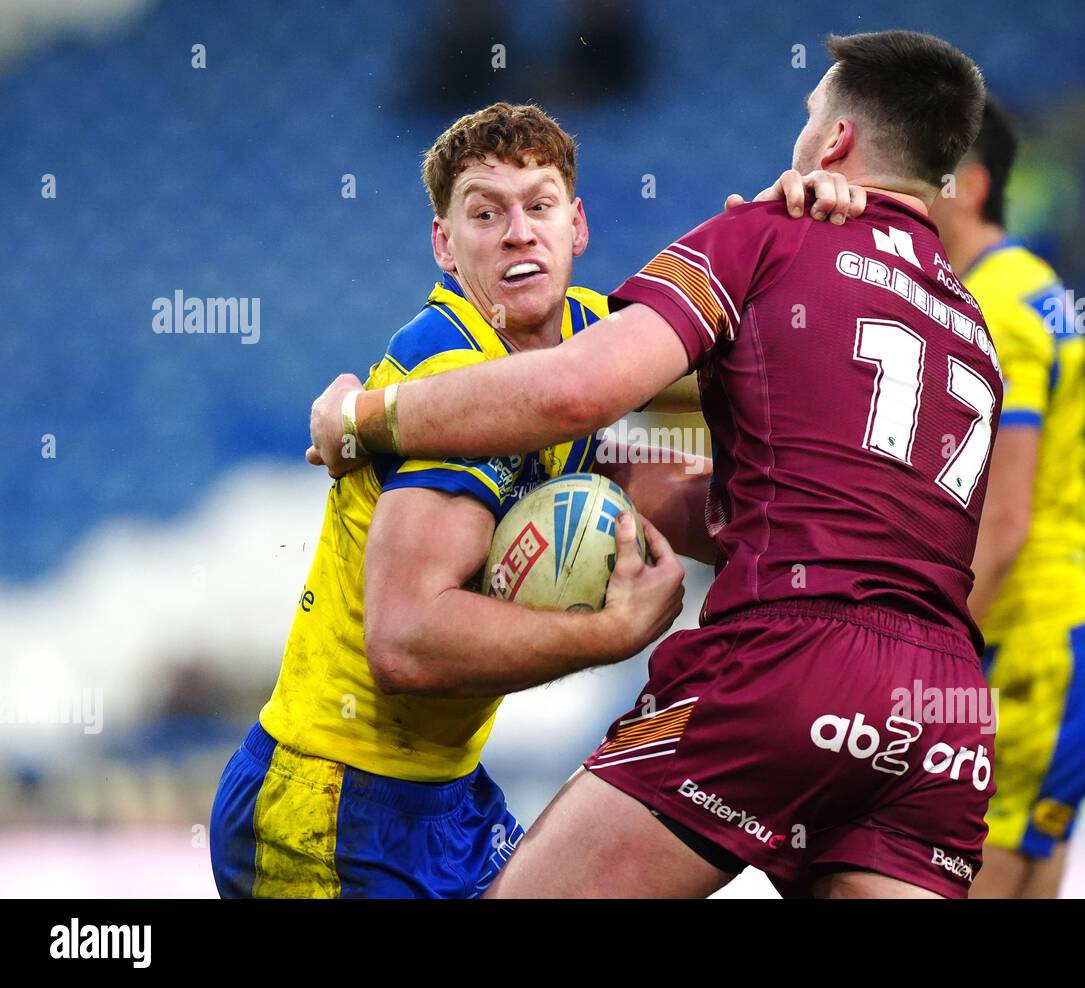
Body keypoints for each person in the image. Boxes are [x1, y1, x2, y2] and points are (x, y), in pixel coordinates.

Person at [308, 31, 1001, 900]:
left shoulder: (764, 236)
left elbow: (574, 391)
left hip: (791, 661)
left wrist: (366, 418)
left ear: (836, 145)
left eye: (808, 116)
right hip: (945, 713)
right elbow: (785, 482)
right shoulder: (971, 326)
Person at [210, 101, 856, 899]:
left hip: (443, 796)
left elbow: (668, 426)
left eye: (540, 206)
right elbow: (407, 640)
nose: (520, 231)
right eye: (486, 213)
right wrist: (612, 633)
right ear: (445, 245)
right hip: (330, 805)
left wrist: (812, 213)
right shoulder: (450, 372)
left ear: (576, 225)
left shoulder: (588, 337)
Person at [929, 97, 1085, 898]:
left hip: (1032, 662)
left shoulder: (1003, 306)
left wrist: (925, 661)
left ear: (972, 185)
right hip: (1065, 655)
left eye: (929, 175)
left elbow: (1006, 523)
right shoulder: (1030, 285)